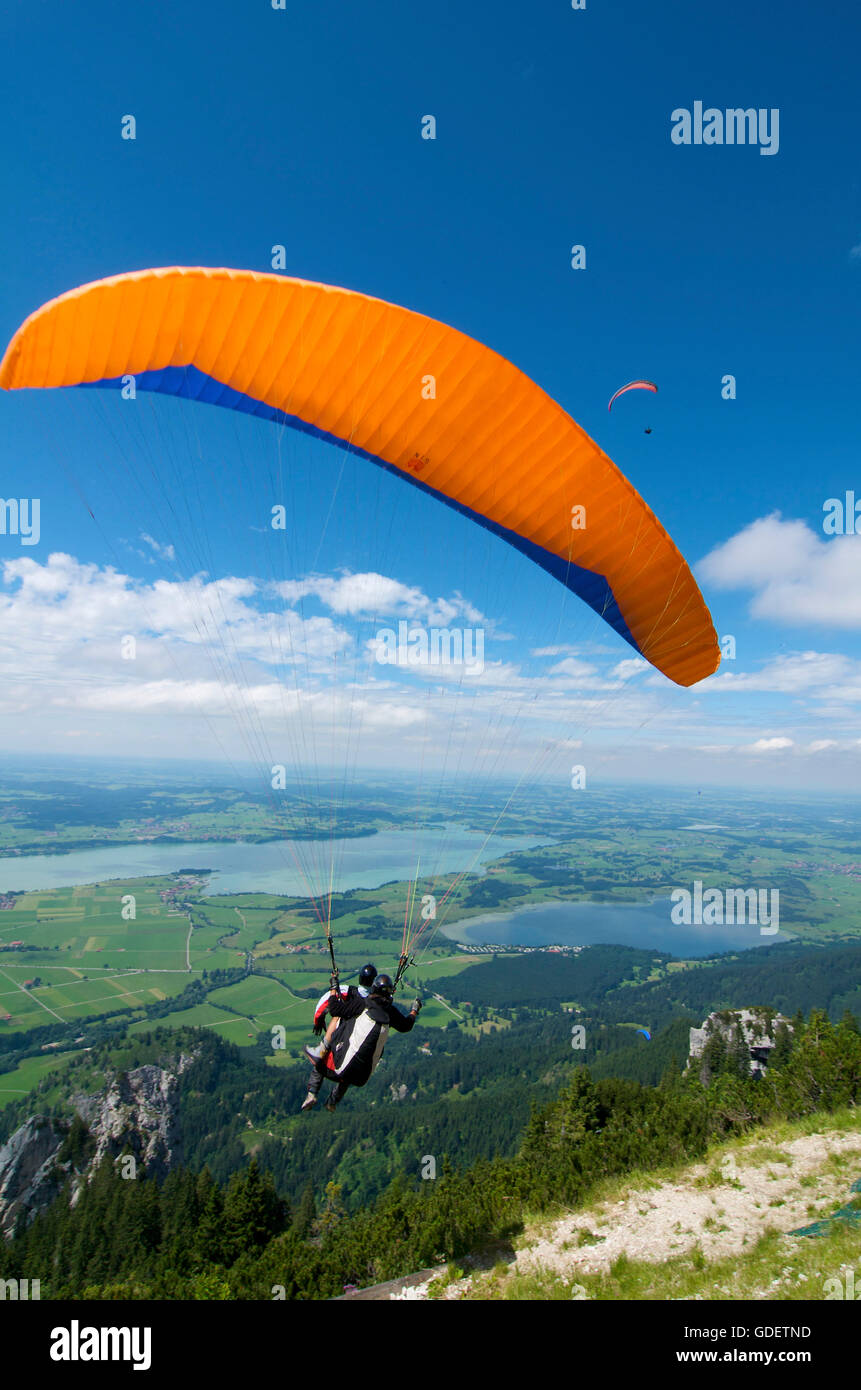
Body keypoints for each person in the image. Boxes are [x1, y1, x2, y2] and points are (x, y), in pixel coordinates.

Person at [301, 974, 422, 1112]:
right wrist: (414, 1010)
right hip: (361, 1078)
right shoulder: (390, 1012)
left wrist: (334, 988)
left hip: (341, 1068)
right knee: (353, 1064)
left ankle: (312, 1093)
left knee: (322, 1060)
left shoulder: (363, 1004)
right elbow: (406, 1026)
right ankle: (332, 1102)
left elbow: (335, 1009)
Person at [311, 962, 376, 1039]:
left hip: (347, 1031)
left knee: (337, 1017)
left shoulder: (349, 991)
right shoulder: (378, 999)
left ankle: (324, 1046)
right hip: (368, 1036)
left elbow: (325, 1000)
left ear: (360, 978)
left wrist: (318, 1020)